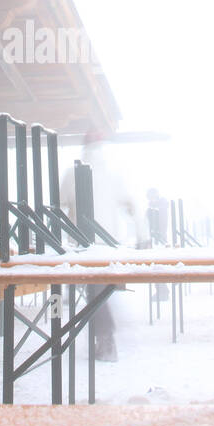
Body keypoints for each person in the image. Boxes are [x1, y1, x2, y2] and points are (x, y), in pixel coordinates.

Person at [61, 131, 138, 362]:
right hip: (110, 242)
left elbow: (59, 202)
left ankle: (106, 339)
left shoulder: (72, 173)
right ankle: (106, 337)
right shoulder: (113, 173)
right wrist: (141, 235)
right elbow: (131, 205)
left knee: (94, 291)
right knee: (99, 290)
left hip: (85, 243)